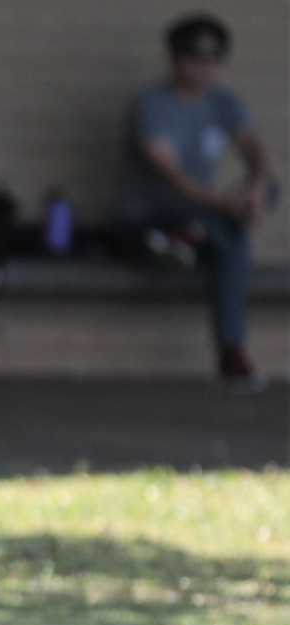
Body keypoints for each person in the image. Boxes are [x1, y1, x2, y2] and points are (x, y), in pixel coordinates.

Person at [114, 13, 275, 390]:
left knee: (267, 193)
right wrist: (224, 206)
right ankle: (232, 351)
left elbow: (255, 154)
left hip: (205, 214)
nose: (203, 68)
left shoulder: (224, 102)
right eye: (194, 59)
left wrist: (253, 192)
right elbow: (169, 173)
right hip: (146, 216)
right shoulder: (153, 103)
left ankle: (191, 237)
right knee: (231, 241)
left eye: (212, 61)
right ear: (174, 60)